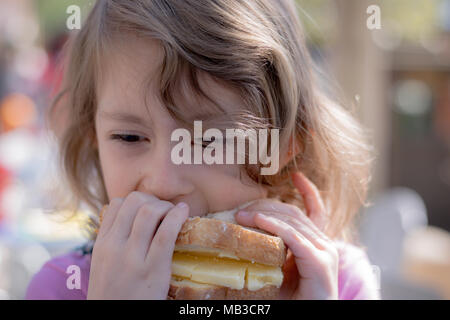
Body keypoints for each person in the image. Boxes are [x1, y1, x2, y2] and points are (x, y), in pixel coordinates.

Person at [26, 0, 379, 300]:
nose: (164, 181)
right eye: (129, 138)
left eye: (211, 141)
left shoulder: (339, 283)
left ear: (285, 146)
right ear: (92, 136)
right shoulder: (62, 287)